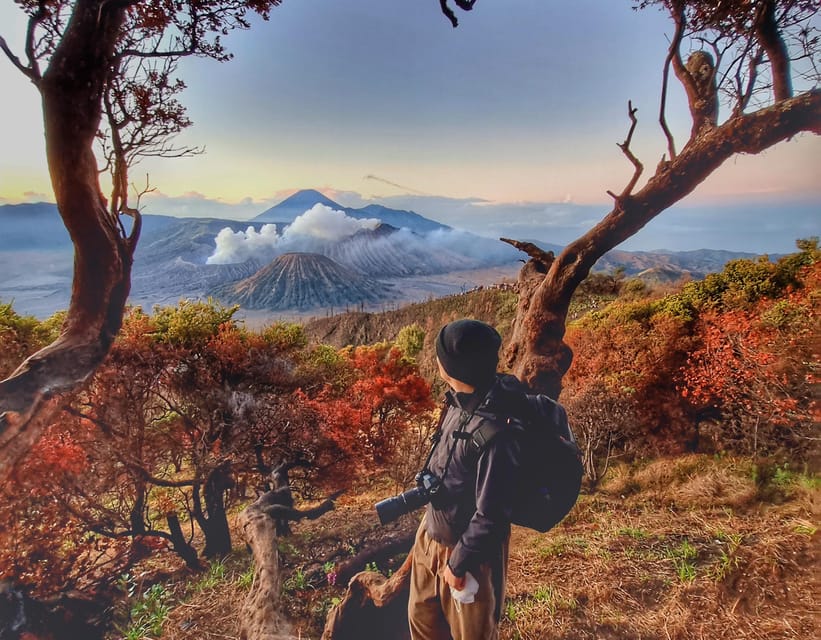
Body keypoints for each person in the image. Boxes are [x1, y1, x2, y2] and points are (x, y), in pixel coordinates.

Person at [408, 319, 521, 640]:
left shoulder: (497, 430)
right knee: (422, 626)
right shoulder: (456, 402)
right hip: (429, 537)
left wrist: (457, 565)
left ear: (451, 367)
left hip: (470, 558)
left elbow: (493, 514)